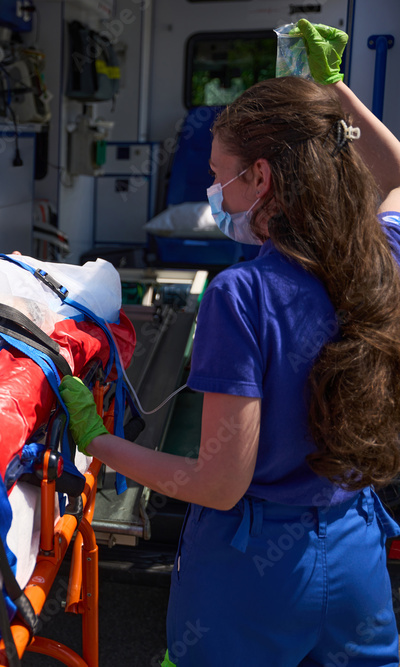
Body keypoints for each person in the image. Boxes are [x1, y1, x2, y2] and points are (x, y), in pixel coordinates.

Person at [60, 20, 400, 666]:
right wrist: (336, 94)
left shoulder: (240, 296)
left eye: (220, 178)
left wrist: (99, 441)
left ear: (262, 177)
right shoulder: (377, 261)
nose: (213, 196)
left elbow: (219, 483)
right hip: (357, 560)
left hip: (255, 576)